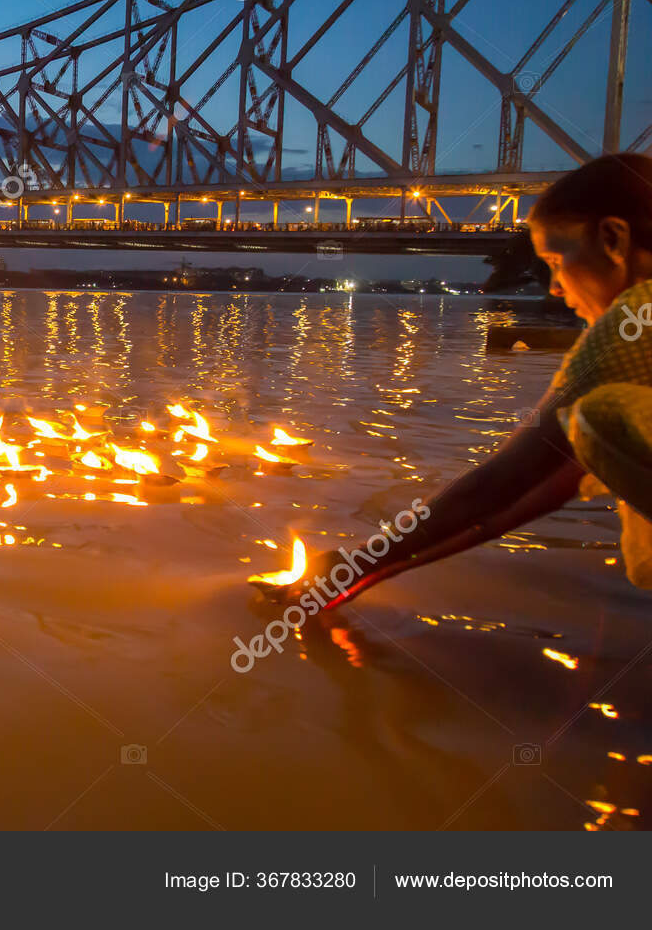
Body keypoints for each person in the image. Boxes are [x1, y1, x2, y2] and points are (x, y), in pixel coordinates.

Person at [271, 152, 652, 609]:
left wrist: (354, 565)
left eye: (555, 259)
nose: (552, 286)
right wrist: (360, 573)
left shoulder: (632, 324)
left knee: (596, 417)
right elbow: (527, 495)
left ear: (613, 238)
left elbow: (494, 487)